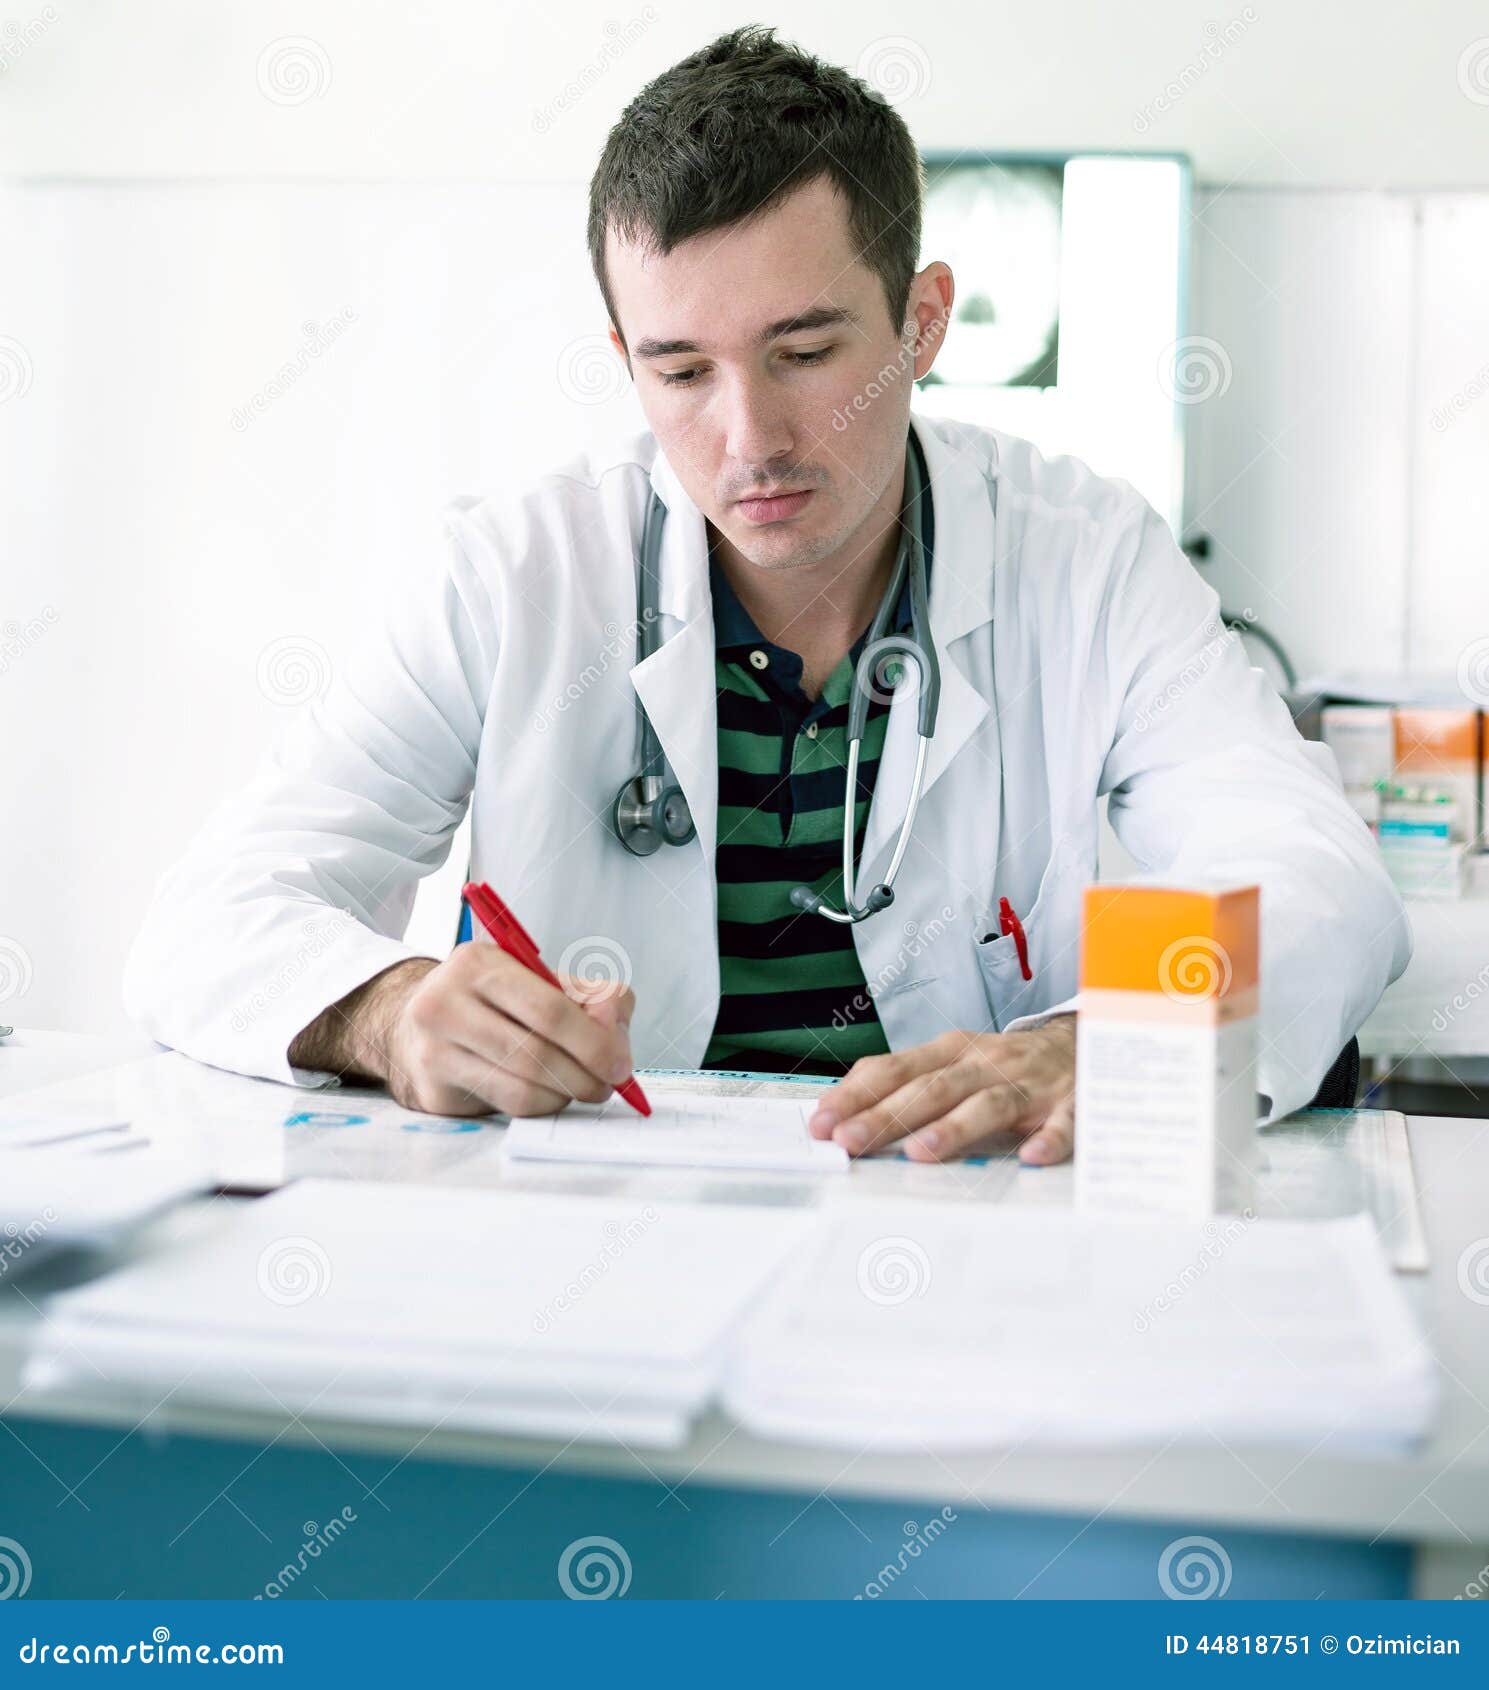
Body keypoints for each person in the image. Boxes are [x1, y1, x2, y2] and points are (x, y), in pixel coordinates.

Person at [124, 26, 1409, 1166]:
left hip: (957, 1226)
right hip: (596, 1244)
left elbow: (1315, 885)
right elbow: (213, 917)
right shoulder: (512, 579)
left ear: (921, 322)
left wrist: (1114, 1041)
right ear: (625, 360)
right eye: (682, 371)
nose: (751, 439)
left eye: (803, 353)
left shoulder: (1083, 559)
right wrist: (388, 1009)